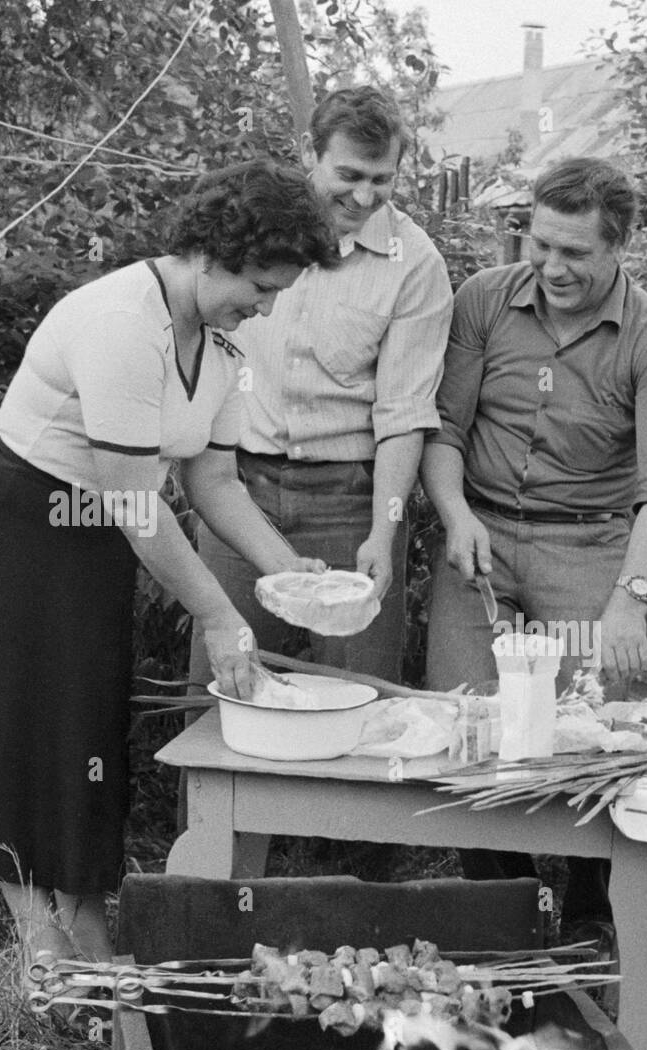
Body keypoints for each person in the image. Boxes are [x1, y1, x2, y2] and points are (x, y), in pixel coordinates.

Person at [0, 160, 335, 973]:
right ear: (214, 252)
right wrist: (217, 611)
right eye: (260, 286)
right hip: (18, 525)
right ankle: (42, 946)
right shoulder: (121, 323)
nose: (266, 306)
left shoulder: (221, 339)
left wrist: (289, 573)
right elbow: (140, 502)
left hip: (97, 534)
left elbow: (212, 479)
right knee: (20, 730)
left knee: (82, 728)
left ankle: (87, 923)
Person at [421, 156, 647, 926]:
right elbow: (443, 429)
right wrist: (454, 513)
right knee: (466, 729)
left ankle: (584, 915)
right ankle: (505, 908)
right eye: (540, 244)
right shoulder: (481, 299)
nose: (550, 265)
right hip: (477, 536)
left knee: (588, 737)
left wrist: (629, 603)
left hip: (587, 548)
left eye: (574, 252)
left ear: (619, 248)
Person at [188, 86, 453, 690]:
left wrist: (383, 535)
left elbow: (404, 412)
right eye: (350, 174)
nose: (365, 195)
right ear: (311, 151)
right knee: (220, 688)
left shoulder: (414, 262)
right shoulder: (253, 226)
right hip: (238, 491)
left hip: (351, 500)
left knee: (357, 700)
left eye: (382, 179)